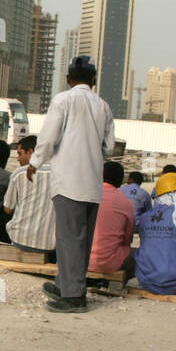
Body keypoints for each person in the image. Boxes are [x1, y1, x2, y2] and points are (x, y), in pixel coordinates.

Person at [32, 55, 114, 313]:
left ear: (68, 79)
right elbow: (109, 147)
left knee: (68, 239)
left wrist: (34, 162)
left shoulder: (62, 101)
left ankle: (75, 296)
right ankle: (66, 283)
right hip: (92, 183)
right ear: (93, 79)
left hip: (68, 181)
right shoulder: (103, 107)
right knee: (81, 239)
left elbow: (47, 138)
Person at [3, 135, 57, 258]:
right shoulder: (61, 174)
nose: (18, 158)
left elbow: (8, 209)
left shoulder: (20, 173)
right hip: (49, 245)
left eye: (20, 154)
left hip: (20, 241)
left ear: (31, 152)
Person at [88, 161, 135, 281]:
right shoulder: (126, 202)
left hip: (81, 259)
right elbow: (128, 239)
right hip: (109, 262)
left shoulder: (87, 195)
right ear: (121, 180)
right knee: (139, 254)